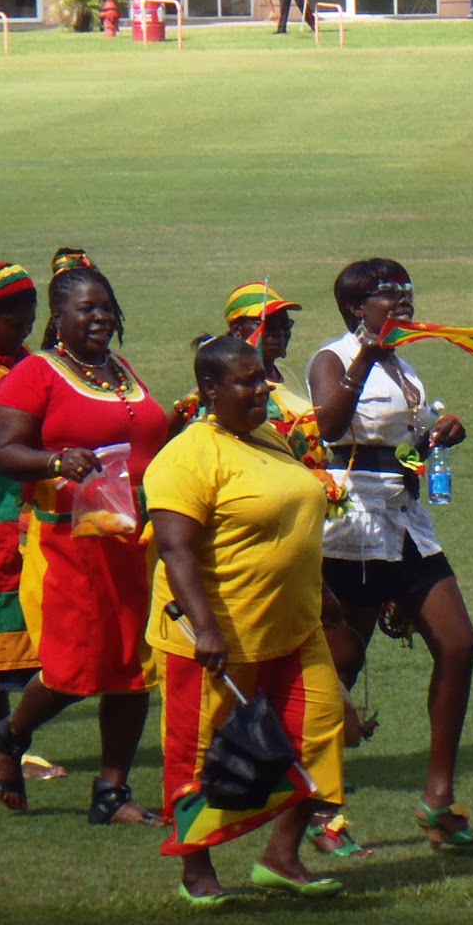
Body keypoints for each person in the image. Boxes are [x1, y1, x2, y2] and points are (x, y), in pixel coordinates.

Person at [148, 337, 347, 904]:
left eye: (261, 378)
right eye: (246, 381)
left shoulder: (268, 438)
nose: (262, 388)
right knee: (198, 751)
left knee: (317, 729)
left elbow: (295, 526)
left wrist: (325, 598)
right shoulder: (187, 456)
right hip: (216, 635)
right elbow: (176, 549)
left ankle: (282, 857)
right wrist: (204, 626)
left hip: (294, 624)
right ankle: (197, 870)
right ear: (210, 389)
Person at [0, 249, 172, 824]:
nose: (100, 318)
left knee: (134, 664)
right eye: (87, 309)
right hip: (71, 544)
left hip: (134, 542)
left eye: (107, 308)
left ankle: (111, 792)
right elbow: (4, 451)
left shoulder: (121, 371)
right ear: (59, 318)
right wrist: (54, 462)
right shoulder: (36, 373)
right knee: (75, 667)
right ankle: (9, 734)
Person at [306, 258, 473, 850]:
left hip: (405, 524)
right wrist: (368, 354)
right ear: (358, 307)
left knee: (459, 643)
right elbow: (330, 429)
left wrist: (437, 438)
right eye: (390, 295)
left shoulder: (405, 366)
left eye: (408, 292)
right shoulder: (331, 358)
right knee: (340, 665)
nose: (405, 302)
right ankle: (320, 809)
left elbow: (399, 456)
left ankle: (438, 799)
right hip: (349, 531)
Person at [0, 263, 66, 789]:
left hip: (16, 509)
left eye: (30, 322)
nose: (23, 332)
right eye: (13, 323)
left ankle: (3, 730)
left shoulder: (22, 361)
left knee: (14, 626)